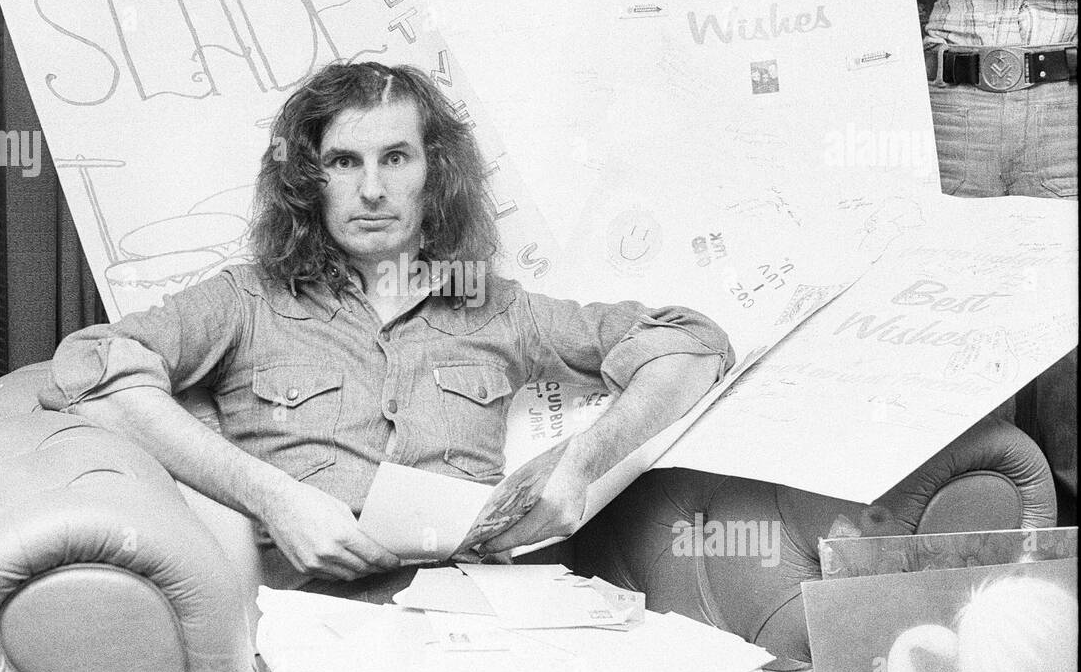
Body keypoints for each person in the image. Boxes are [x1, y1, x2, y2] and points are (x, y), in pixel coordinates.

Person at [40, 61, 733, 594]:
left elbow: (691, 345)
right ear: (309, 180)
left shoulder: (497, 306)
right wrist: (273, 498)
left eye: (395, 158)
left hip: (481, 620)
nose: (372, 189)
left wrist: (581, 464)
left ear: (435, 175)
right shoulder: (245, 300)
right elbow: (86, 369)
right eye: (345, 161)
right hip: (304, 623)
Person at [880, 0, 1078, 524]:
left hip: (1063, 105)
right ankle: (971, 558)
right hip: (951, 103)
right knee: (952, 347)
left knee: (1066, 361)